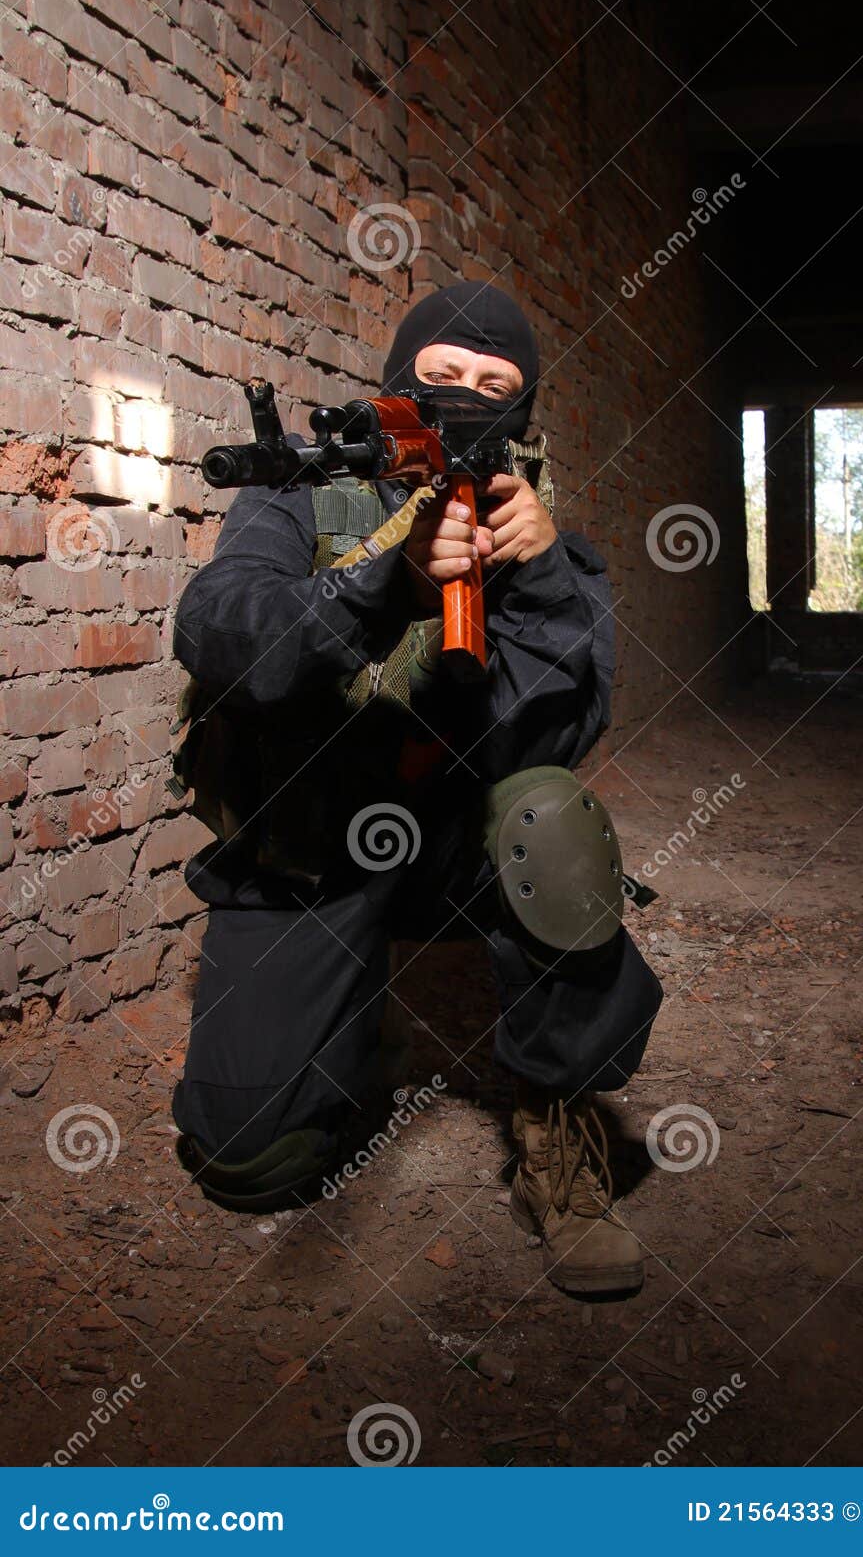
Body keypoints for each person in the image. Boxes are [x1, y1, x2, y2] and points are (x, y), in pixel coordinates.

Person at [170, 281, 662, 1296]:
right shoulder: (304, 493)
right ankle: (353, 1041)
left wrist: (536, 581)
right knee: (248, 1160)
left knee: (550, 818)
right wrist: (380, 582)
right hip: (321, 837)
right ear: (399, 383)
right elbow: (221, 638)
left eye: (497, 385)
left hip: (458, 842)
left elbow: (559, 729)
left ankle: (553, 1129)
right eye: (441, 378)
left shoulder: (536, 539)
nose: (468, 399)